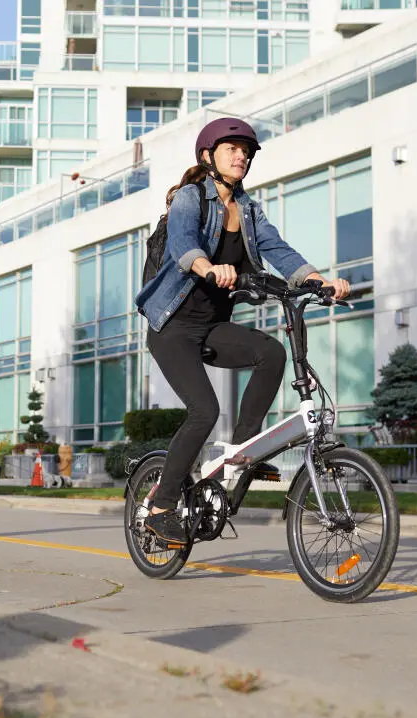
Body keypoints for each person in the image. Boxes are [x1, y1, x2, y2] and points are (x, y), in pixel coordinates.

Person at [135, 117, 350, 547]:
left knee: (271, 353)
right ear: (208, 156)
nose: (241, 155)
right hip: (172, 326)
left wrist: (320, 281)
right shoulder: (190, 199)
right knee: (204, 411)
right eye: (232, 148)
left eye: (246, 151)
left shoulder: (249, 210)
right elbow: (182, 244)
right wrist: (208, 267)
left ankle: (239, 455)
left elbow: (278, 250)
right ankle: (160, 506)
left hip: (213, 327)